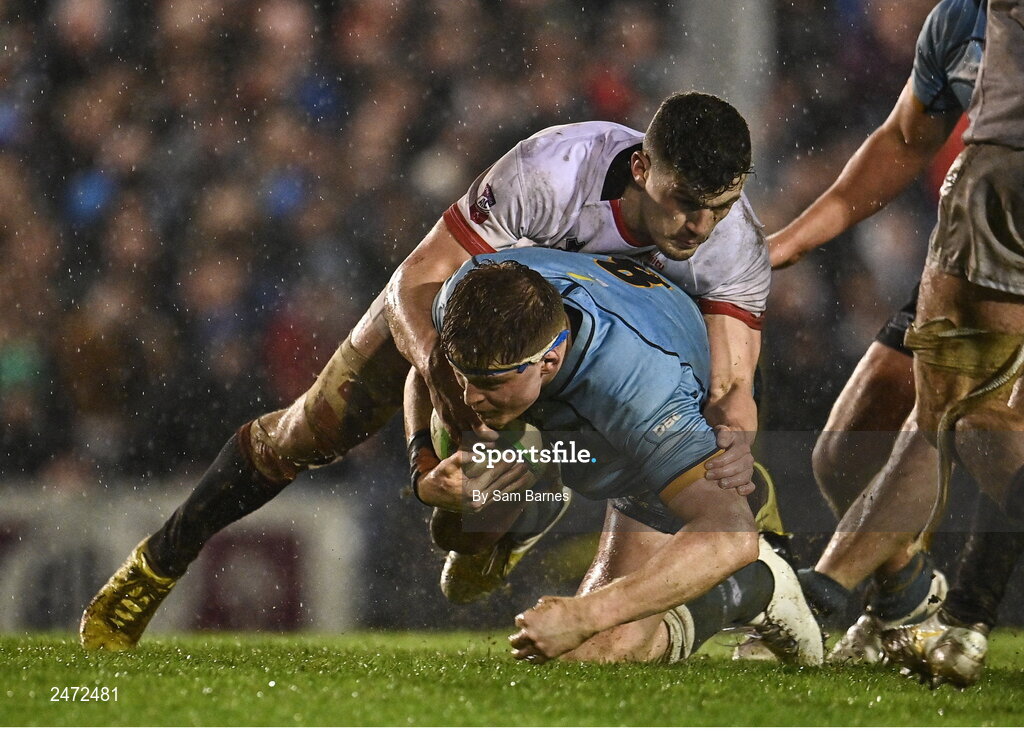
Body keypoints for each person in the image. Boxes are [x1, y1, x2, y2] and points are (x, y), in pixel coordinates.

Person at [80, 92, 770, 651]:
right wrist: (443, 397)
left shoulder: (734, 242)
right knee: (312, 431)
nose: (701, 225)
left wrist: (734, 443)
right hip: (476, 339)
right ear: (643, 168)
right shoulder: (553, 172)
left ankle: (541, 497)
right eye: (686, 201)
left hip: (607, 367)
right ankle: (158, 562)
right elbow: (417, 283)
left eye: (720, 204)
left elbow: (732, 383)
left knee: (607, 638)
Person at [767, 0, 1022, 670]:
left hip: (1002, 243)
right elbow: (904, 139)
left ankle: (816, 598)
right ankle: (908, 601)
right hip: (974, 248)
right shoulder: (959, 19)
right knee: (845, 451)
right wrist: (795, 237)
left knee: (948, 423)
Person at [413, 250, 822, 665]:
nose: (467, 395)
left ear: (550, 361)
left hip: (646, 457)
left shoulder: (640, 391)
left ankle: (754, 586)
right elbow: (423, 370)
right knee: (457, 540)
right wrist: (424, 475)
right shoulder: (474, 296)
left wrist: (583, 616)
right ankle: (540, 492)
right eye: (461, 371)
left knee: (596, 653)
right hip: (576, 417)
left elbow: (729, 535)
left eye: (490, 381)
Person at [879, 0, 1024, 688]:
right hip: (998, 187)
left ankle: (953, 616)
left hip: (1003, 182)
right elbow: (902, 136)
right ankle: (962, 618)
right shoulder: (953, 23)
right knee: (976, 422)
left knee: (973, 419)